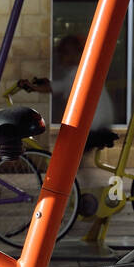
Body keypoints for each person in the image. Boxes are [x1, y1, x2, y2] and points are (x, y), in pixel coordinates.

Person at [21, 34, 116, 216]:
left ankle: (88, 197)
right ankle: (86, 195)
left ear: (74, 55)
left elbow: (57, 88)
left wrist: (33, 87)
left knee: (72, 163)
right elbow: (60, 86)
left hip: (94, 127)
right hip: (95, 125)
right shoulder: (81, 71)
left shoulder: (78, 72)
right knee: (75, 162)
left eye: (64, 54)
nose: (61, 59)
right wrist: (41, 84)